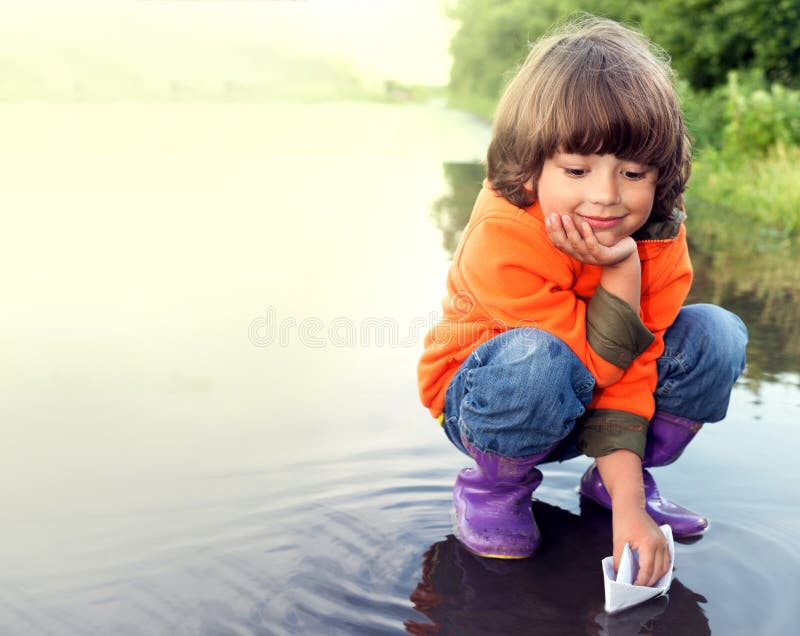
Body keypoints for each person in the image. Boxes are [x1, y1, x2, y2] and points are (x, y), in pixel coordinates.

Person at [417, 16, 748, 587]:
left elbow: (630, 371)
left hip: (595, 401)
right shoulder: (504, 235)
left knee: (717, 336)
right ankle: (494, 487)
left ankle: (620, 478)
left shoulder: (660, 239)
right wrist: (618, 272)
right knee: (537, 359)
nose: (606, 196)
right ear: (532, 167)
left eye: (633, 172)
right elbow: (589, 369)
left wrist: (629, 508)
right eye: (576, 169)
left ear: (660, 175)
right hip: (497, 400)